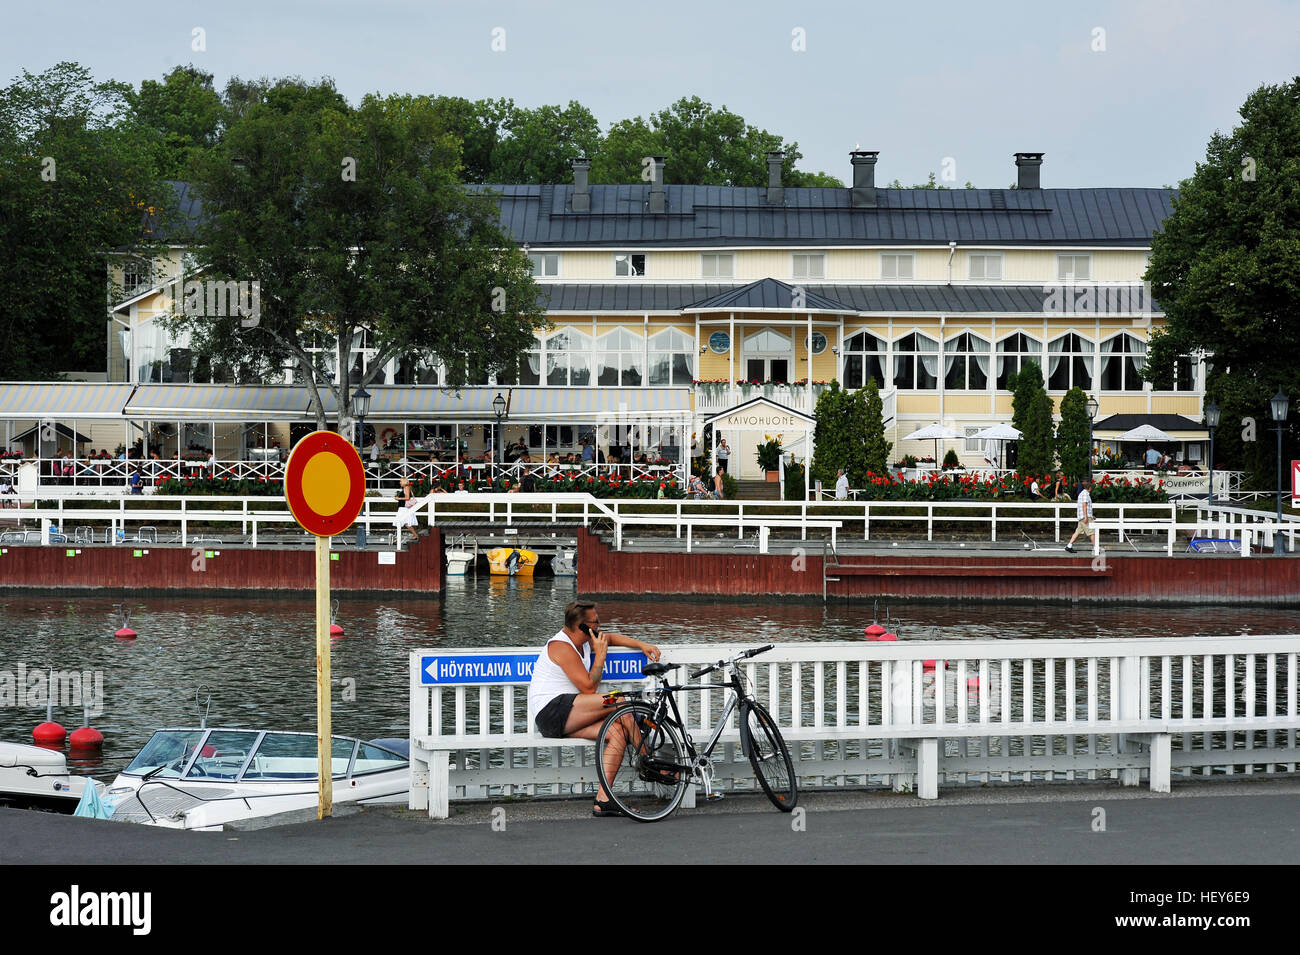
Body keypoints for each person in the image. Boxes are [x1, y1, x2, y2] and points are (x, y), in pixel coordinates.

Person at [527, 600, 661, 817]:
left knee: (617, 733)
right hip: (552, 712)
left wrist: (641, 645)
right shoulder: (561, 646)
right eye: (595, 623)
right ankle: (648, 761)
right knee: (619, 702)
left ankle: (604, 799)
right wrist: (600, 656)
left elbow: (611, 638)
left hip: (570, 714)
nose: (600, 626)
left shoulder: (587, 639)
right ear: (581, 626)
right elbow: (589, 688)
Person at [1064, 479, 1097, 554]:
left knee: (1078, 532)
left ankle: (1069, 546)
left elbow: (1086, 506)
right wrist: (1086, 516)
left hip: (1083, 516)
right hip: (1085, 517)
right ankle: (1096, 547)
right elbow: (1084, 505)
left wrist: (1091, 515)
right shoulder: (1085, 494)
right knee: (1091, 532)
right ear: (1090, 488)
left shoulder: (1082, 493)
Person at [396, 477, 419, 545]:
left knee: (404, 523)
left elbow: (407, 498)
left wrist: (398, 498)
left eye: (401, 481)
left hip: (404, 508)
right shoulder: (405, 488)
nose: (400, 483)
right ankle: (398, 538)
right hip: (402, 508)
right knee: (403, 523)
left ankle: (415, 535)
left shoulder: (406, 488)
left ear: (404, 482)